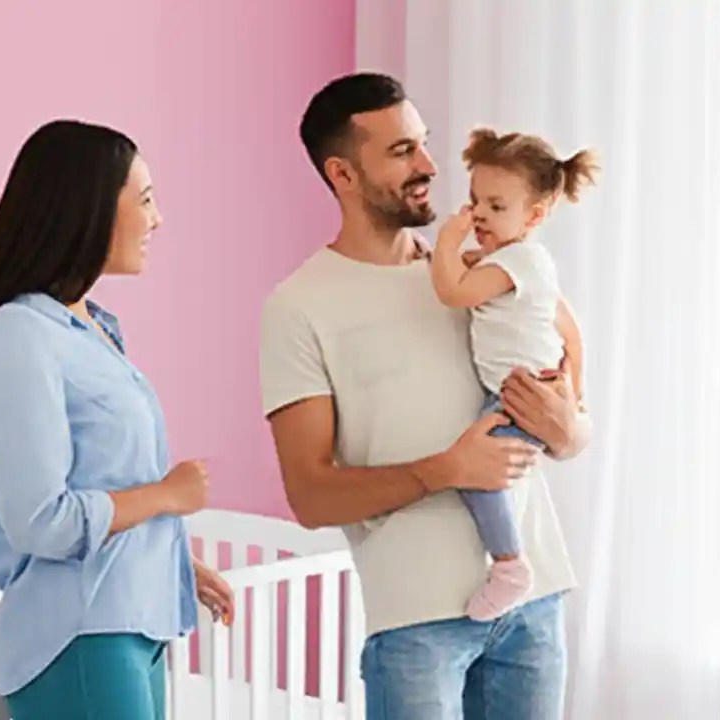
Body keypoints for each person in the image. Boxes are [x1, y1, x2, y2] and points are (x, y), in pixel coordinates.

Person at [259, 73, 590, 718]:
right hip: (417, 623)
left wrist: (565, 427)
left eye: (424, 144)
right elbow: (309, 493)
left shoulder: (488, 268)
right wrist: (445, 471)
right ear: (343, 175)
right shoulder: (298, 307)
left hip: (536, 603)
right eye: (402, 151)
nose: (430, 166)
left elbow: (576, 426)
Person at [0, 120, 235, 719]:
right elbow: (41, 520)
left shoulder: (94, 330)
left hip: (132, 627)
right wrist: (167, 497)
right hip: (80, 636)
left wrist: (171, 560)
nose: (158, 218)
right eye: (143, 200)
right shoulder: (18, 334)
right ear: (87, 210)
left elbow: (98, 485)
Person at [429, 127, 597, 621]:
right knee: (482, 472)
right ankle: (509, 561)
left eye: (496, 206)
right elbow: (572, 333)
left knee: (478, 476)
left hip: (520, 400)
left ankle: (509, 564)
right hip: (529, 393)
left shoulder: (522, 260)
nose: (478, 213)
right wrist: (576, 393)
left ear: (535, 215)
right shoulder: (511, 262)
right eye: (475, 200)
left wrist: (445, 243)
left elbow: (452, 291)